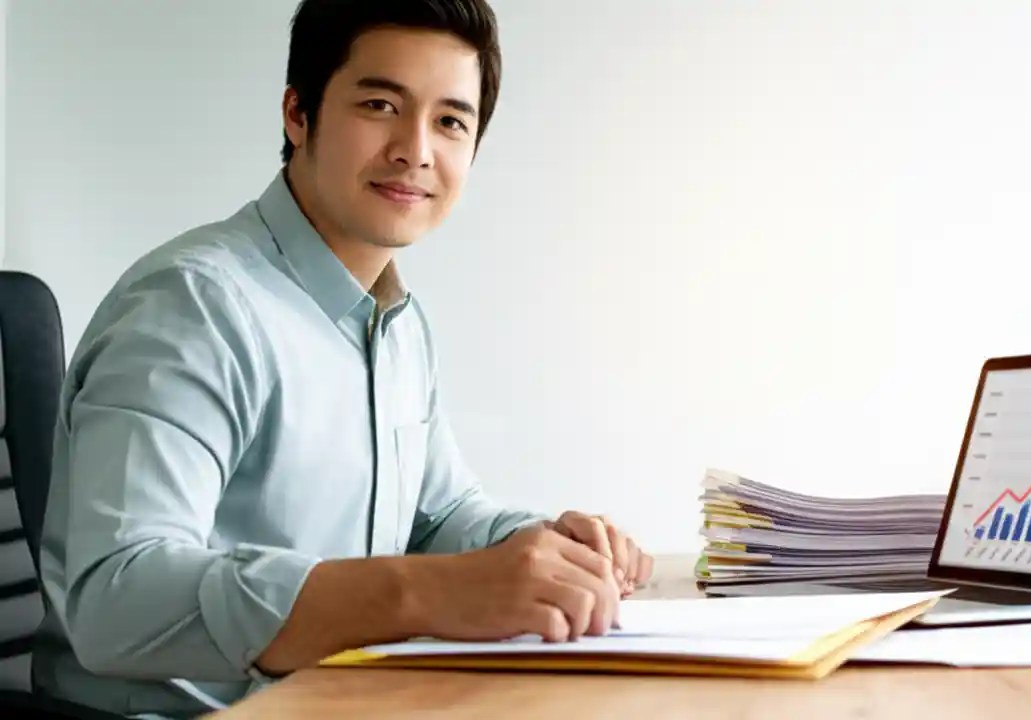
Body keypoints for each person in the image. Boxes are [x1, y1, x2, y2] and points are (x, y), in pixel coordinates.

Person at [32, 1, 652, 716]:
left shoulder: (396, 320)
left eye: (451, 120)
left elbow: (438, 514)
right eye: (381, 104)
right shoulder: (194, 306)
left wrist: (540, 549)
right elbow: (119, 603)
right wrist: (422, 593)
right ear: (299, 114)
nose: (416, 149)